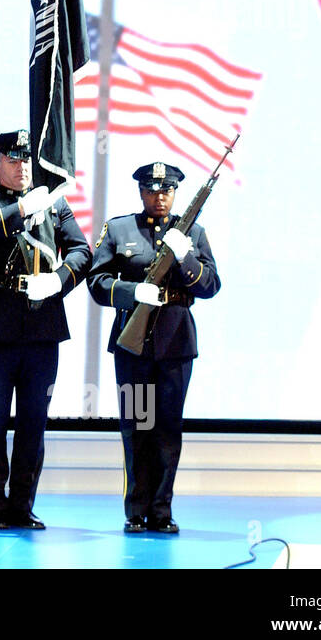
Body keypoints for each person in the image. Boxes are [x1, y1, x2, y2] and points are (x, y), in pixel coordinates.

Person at [0, 129, 91, 530]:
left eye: (27, 159)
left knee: (34, 422)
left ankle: (22, 503)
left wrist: (59, 281)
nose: (22, 167)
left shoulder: (55, 203)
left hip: (42, 327)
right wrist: (18, 211)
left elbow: (82, 251)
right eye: (13, 159)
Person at [86, 162, 221, 534]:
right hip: (134, 345)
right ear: (141, 192)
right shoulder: (118, 229)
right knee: (136, 427)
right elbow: (97, 282)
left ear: (175, 193)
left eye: (167, 190)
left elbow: (211, 285)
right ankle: (136, 509)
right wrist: (132, 292)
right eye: (152, 190)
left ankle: (161, 510)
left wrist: (185, 257)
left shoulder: (192, 232)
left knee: (167, 430)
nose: (159, 197)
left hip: (176, 344)